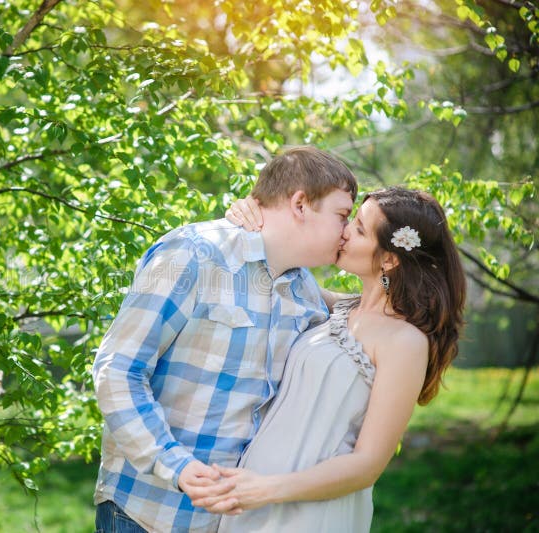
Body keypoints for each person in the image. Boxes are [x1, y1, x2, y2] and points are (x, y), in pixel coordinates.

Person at [92, 146, 358, 532]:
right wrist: (174, 464)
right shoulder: (195, 255)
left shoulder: (304, 290)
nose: (346, 232)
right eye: (342, 215)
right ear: (300, 204)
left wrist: (395, 272)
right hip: (148, 512)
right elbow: (117, 370)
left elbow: (374, 312)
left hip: (234, 521)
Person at [197, 187, 466, 532]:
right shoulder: (337, 307)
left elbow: (367, 464)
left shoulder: (405, 341)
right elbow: (274, 264)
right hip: (248, 498)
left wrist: (268, 490)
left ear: (389, 259)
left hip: (305, 510)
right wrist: (251, 214)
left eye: (359, 228)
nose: (344, 231)